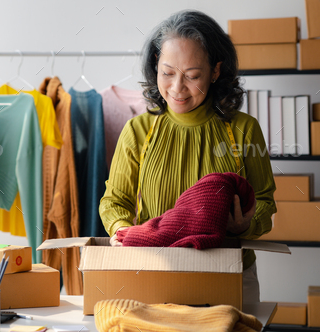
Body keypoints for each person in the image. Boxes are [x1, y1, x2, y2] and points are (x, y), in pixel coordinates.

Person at [99, 9, 276, 303]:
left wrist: (244, 224)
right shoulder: (138, 130)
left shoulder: (244, 130)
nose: (177, 89)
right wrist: (122, 232)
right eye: (167, 73)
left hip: (228, 277)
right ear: (156, 65)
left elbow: (265, 203)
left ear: (216, 71)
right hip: (155, 273)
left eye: (192, 76)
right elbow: (114, 202)